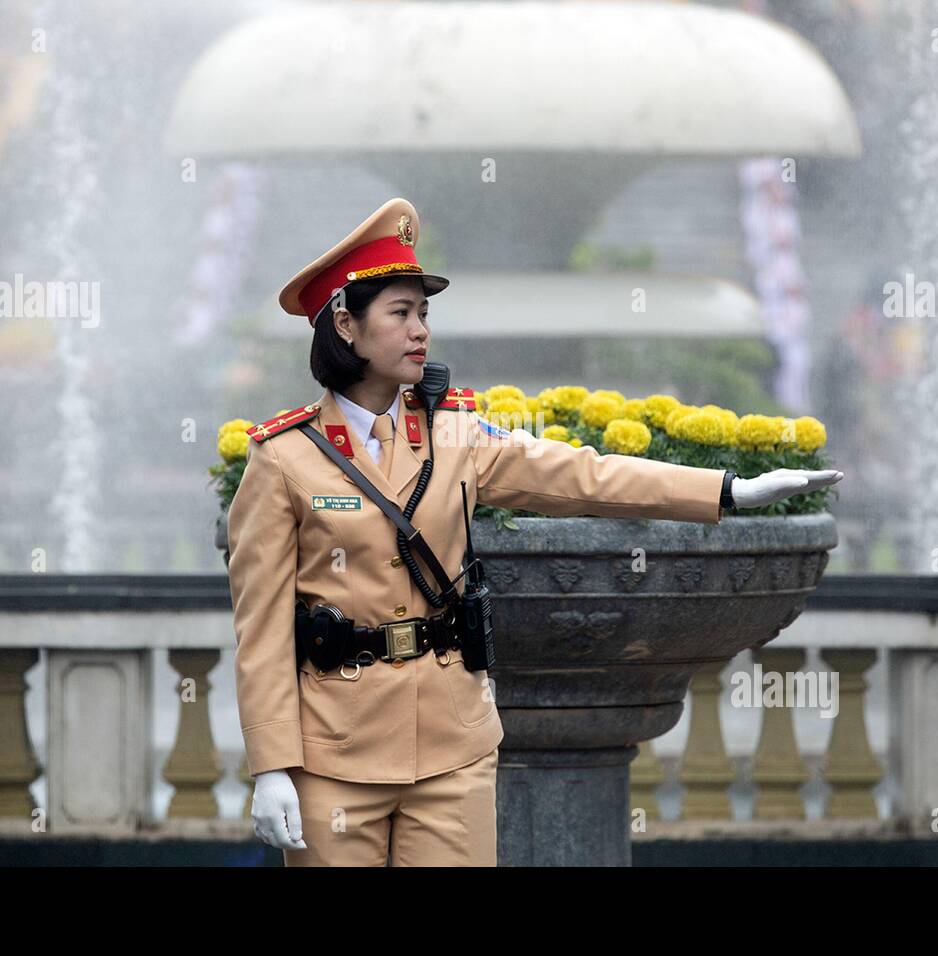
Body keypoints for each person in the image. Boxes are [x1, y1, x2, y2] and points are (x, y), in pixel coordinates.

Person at [226, 197, 843, 866]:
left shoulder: (454, 433)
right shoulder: (283, 457)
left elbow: (584, 476)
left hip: (450, 754)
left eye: (424, 314)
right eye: (400, 313)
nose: (420, 331)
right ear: (345, 325)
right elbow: (259, 631)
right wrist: (271, 766)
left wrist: (726, 490)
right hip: (333, 758)